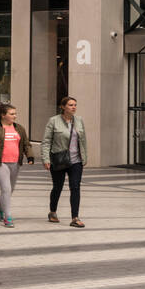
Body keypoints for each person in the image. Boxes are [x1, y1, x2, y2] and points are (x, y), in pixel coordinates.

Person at [42, 95, 88, 227]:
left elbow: (83, 140)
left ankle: (75, 217)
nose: (74, 107)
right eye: (70, 105)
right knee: (58, 187)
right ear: (62, 107)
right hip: (59, 159)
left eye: (75, 105)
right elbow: (46, 141)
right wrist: (46, 159)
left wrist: (84, 156)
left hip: (76, 160)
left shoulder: (79, 120)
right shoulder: (53, 121)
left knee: (75, 187)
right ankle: (53, 212)